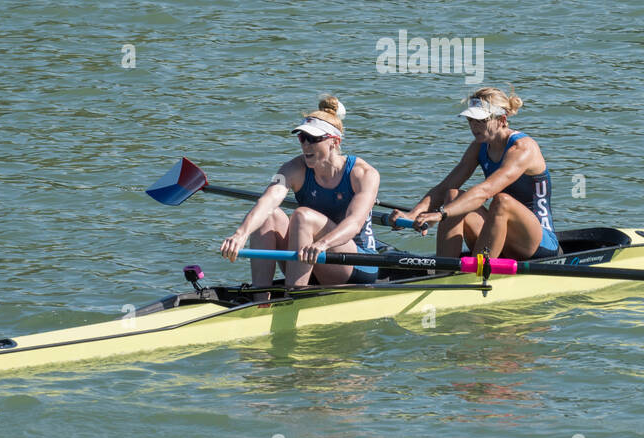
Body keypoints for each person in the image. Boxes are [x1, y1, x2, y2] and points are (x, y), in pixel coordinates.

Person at [219, 96, 381, 292]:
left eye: (313, 139)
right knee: (270, 215)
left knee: (302, 217)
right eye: (302, 137)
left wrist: (322, 244)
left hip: (356, 263)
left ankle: (294, 296)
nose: (306, 145)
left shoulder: (364, 173)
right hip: (310, 257)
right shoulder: (292, 168)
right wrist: (240, 234)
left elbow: (354, 224)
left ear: (334, 141)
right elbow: (267, 201)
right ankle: (260, 300)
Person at [393, 87, 559, 261]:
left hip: (539, 243)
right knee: (453, 194)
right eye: (471, 119)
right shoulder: (479, 146)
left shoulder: (523, 148)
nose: (474, 126)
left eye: (481, 120)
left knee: (502, 201)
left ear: (502, 120)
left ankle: (478, 275)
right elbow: (445, 187)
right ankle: (443, 271)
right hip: (501, 235)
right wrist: (413, 214)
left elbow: (485, 191)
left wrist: (440, 214)